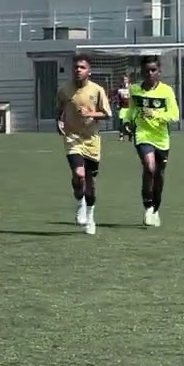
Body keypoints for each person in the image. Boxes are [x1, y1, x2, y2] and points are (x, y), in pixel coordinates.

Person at [55, 54, 111, 235]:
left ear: (89, 71)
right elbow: (59, 109)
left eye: (82, 67)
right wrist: (59, 122)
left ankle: (91, 216)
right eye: (76, 67)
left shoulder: (97, 90)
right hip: (72, 138)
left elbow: (107, 114)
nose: (78, 70)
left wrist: (90, 114)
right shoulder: (64, 90)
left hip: (91, 140)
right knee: (79, 174)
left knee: (89, 181)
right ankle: (80, 202)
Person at [126, 55, 178, 227]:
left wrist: (155, 114)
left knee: (159, 175)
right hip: (143, 134)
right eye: (146, 70)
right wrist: (127, 122)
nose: (150, 73)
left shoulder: (166, 91)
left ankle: (156, 208)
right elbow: (131, 110)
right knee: (149, 167)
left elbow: (174, 115)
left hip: (161, 138)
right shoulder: (134, 90)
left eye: (153, 70)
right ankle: (148, 206)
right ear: (141, 72)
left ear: (159, 71)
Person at [113, 74, 133, 141]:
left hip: (130, 108)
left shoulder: (131, 88)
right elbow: (116, 97)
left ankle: (130, 134)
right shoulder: (119, 89)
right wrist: (117, 103)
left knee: (129, 122)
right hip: (123, 107)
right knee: (121, 122)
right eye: (123, 79)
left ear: (128, 80)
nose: (125, 81)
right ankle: (121, 135)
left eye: (126, 79)